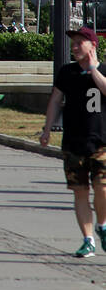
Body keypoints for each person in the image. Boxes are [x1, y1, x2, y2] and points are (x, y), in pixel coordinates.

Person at [41, 27, 106, 257]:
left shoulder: (104, 70)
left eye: (80, 43)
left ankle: (102, 226)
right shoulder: (66, 72)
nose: (75, 46)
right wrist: (47, 129)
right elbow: (55, 100)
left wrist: (93, 70)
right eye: (73, 43)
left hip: (101, 142)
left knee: (103, 188)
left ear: (93, 45)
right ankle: (88, 239)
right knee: (79, 192)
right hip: (73, 143)